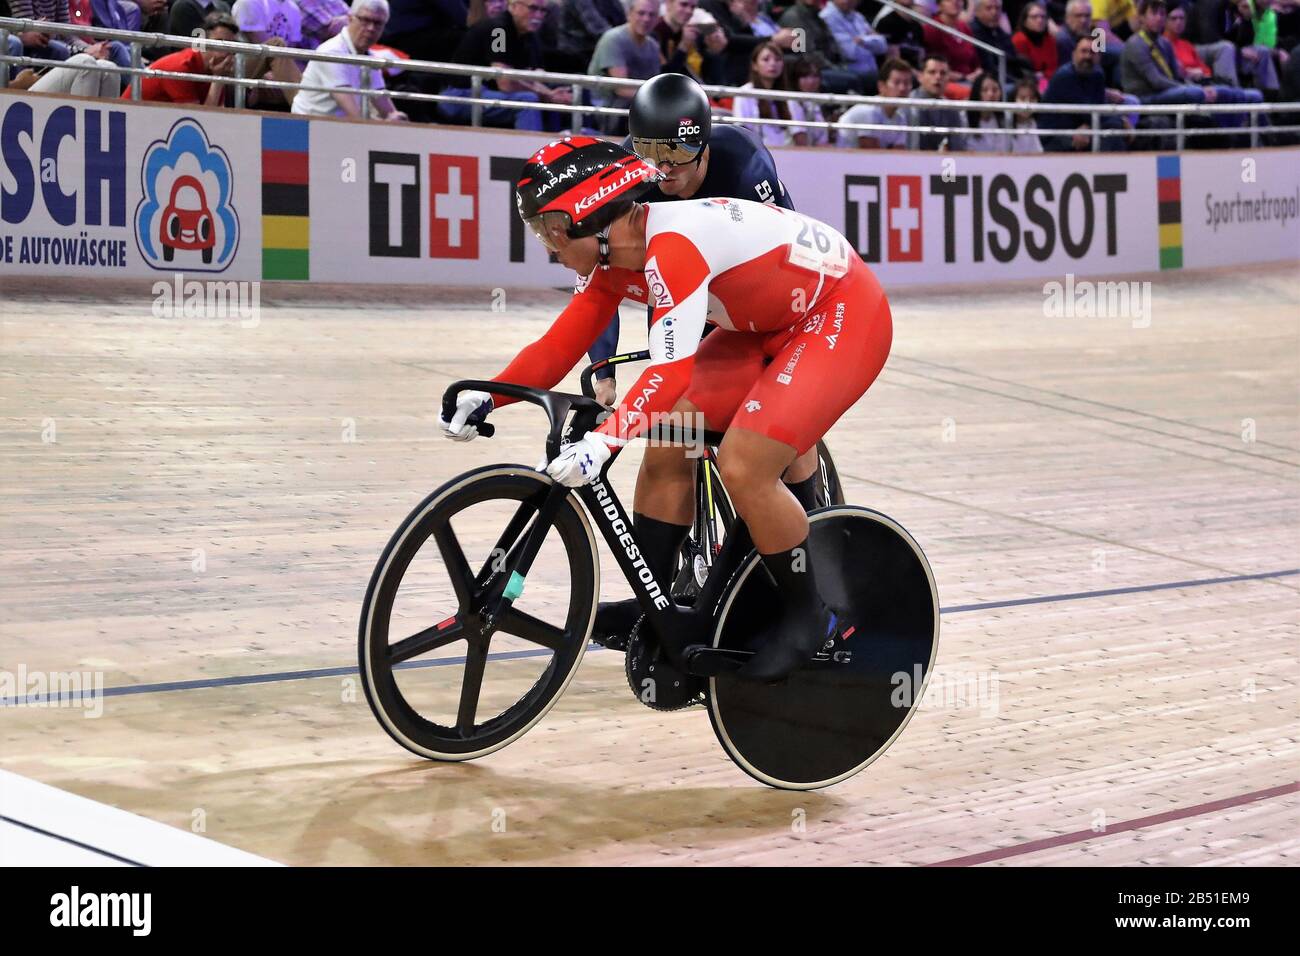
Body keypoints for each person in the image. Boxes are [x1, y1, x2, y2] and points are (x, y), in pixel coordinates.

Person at [443, 136, 893, 682]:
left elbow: (670, 368)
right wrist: (490, 394)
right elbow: (559, 346)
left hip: (839, 312)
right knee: (671, 433)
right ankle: (652, 598)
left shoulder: (672, 244)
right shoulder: (614, 254)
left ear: (589, 220)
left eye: (550, 232)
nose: (549, 249)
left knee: (745, 466)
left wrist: (605, 441)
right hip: (764, 322)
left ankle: (809, 616)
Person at [443, 0, 573, 130]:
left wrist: (552, 94)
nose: (538, 16)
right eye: (533, 8)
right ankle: (530, 150)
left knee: (555, 103)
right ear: (513, 6)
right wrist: (547, 95)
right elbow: (505, 84)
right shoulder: (498, 31)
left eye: (543, 10)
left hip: (490, 92)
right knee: (527, 100)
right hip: (461, 96)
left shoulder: (528, 35)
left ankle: (558, 146)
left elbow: (530, 79)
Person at [293, 0, 410, 119]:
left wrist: (396, 118)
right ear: (350, 19)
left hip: (336, 127)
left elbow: (386, 108)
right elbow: (355, 116)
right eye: (365, 20)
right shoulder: (332, 52)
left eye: (377, 23)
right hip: (308, 127)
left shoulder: (368, 56)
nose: (371, 28)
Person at [126, 11, 240, 105]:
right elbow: (201, 122)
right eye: (219, 43)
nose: (226, 51)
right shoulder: (180, 67)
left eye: (231, 45)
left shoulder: (216, 68)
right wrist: (218, 79)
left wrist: (219, 78)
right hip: (129, 123)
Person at [1043, 33, 1131, 149]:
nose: (1088, 56)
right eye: (1083, 51)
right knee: (1112, 128)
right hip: (1057, 133)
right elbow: (1084, 111)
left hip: (1083, 127)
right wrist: (1121, 120)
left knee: (1115, 128)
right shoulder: (1064, 76)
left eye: (1092, 52)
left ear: (1099, 57)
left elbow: (1099, 107)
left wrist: (1089, 126)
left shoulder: (1098, 74)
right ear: (1073, 55)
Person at [587, 0, 662, 133]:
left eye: (652, 15)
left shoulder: (653, 46)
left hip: (639, 106)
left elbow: (654, 85)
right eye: (641, 13)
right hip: (605, 107)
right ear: (629, 14)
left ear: (657, 19)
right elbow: (622, 88)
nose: (646, 19)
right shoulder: (613, 39)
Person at [733, 41, 814, 147]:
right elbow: (741, 132)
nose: (773, 64)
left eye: (778, 60)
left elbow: (800, 135)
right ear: (754, 65)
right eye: (766, 59)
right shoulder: (744, 93)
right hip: (754, 154)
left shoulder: (788, 97)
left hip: (787, 155)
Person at [778, 0, 863, 91]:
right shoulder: (794, 16)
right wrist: (835, 68)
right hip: (808, 70)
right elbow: (809, 53)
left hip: (828, 66)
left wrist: (841, 65)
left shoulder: (816, 15)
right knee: (854, 79)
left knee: (866, 75)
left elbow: (833, 45)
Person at [836, 55, 913, 147]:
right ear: (881, 86)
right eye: (896, 83)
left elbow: (899, 154)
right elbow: (872, 155)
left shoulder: (900, 117)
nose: (902, 88)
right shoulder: (867, 111)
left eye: (907, 83)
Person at [1164, 1, 1242, 84]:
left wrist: (1201, 72)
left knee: (1252, 94)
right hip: (1183, 85)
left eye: (1181, 18)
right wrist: (1188, 72)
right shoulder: (1163, 44)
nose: (1178, 22)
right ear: (1165, 20)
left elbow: (1206, 71)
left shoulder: (1186, 45)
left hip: (1201, 83)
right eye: (1174, 19)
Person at [656, 0, 730, 84]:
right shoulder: (656, 31)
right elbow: (663, 76)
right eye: (683, 4)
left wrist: (714, 50)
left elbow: (708, 75)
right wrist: (683, 47)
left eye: (692, 7)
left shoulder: (692, 31)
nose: (689, 11)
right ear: (668, 3)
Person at [821, 0, 888, 93]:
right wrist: (870, 39)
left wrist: (863, 41)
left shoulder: (858, 17)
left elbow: (882, 46)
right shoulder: (827, 17)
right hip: (849, 73)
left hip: (871, 72)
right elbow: (850, 52)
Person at [908, 53, 969, 148]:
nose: (938, 77)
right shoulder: (908, 105)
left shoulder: (952, 110)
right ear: (920, 77)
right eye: (932, 72)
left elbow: (957, 149)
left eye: (943, 73)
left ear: (948, 78)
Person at [923, 0, 982, 83]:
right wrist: (963, 77)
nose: (955, 1)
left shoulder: (965, 28)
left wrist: (977, 73)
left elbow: (976, 62)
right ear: (939, 5)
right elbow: (931, 65)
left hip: (970, 80)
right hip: (945, 81)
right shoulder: (932, 28)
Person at [1012, 1, 1059, 85]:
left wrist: (1043, 75)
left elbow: (1054, 68)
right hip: (1027, 83)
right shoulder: (1019, 40)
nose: (1039, 20)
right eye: (1034, 17)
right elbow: (1022, 71)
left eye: (1043, 17)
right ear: (1025, 20)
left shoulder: (1050, 40)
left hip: (1049, 81)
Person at [873, 0, 927, 67]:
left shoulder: (917, 26)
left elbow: (921, 56)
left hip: (914, 72)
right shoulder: (887, 22)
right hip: (894, 72)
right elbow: (893, 61)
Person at [964, 69, 1009, 147]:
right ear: (976, 93)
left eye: (995, 90)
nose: (990, 94)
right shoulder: (963, 118)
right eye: (984, 90)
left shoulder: (1006, 119)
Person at [1008, 75, 1045, 149]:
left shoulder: (1036, 123)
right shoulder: (1005, 123)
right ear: (1013, 99)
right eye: (1022, 98)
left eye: (1031, 99)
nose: (1027, 104)